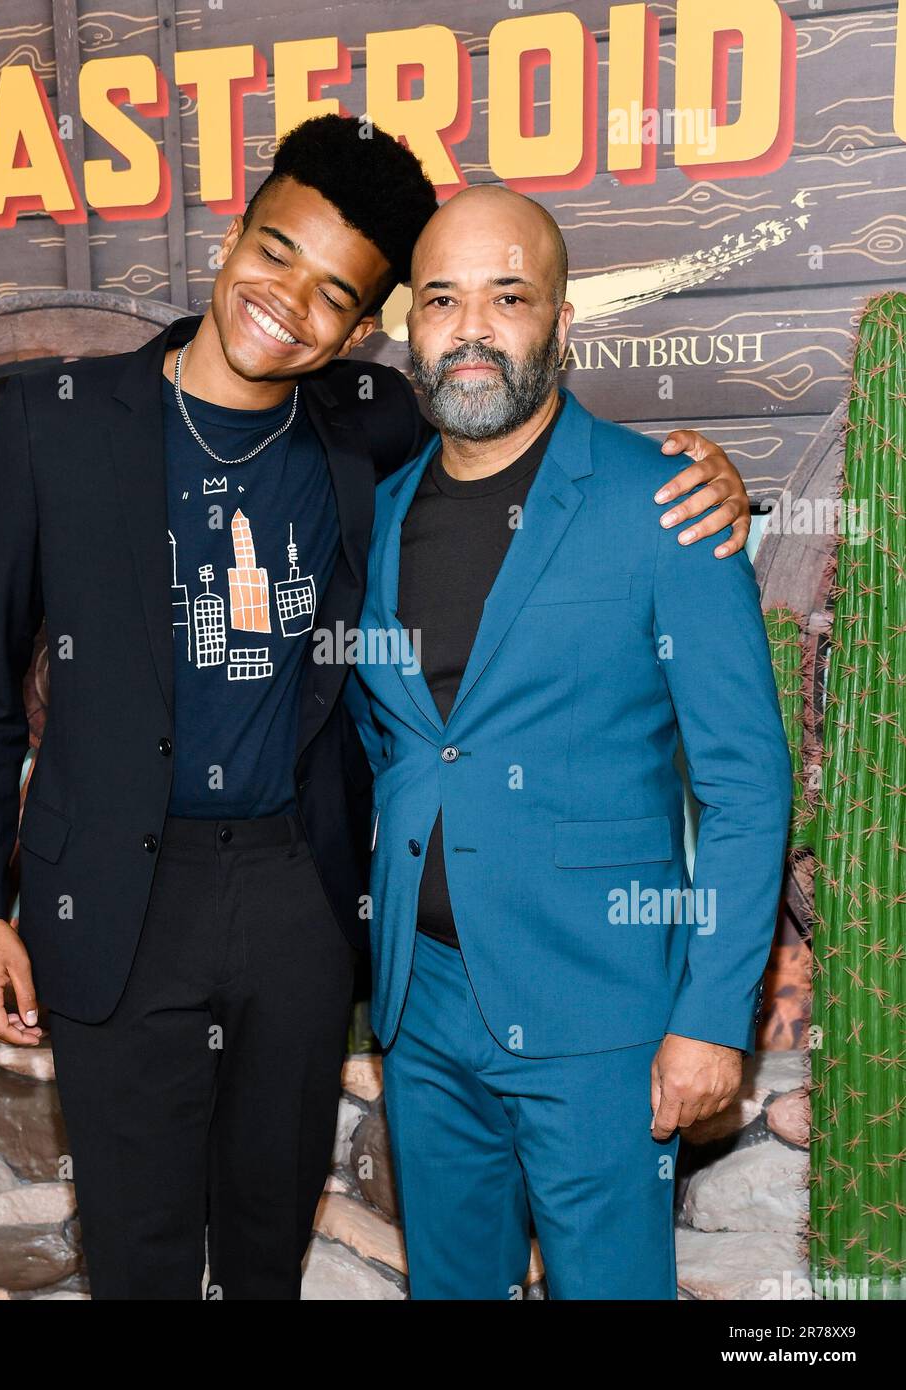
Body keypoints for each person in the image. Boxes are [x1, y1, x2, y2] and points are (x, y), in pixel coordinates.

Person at [0, 117, 755, 1300]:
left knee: (267, 1244)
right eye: (276, 255)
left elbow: (522, 427)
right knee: (136, 1252)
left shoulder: (366, 425)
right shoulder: (55, 422)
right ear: (232, 237)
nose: (289, 304)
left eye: (335, 294)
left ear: (364, 328)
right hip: (116, 899)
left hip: (301, 902)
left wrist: (713, 481)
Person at [345, 183, 793, 1300]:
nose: (470, 328)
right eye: (440, 299)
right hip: (420, 1005)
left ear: (560, 321)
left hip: (601, 1013)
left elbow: (744, 785)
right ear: (409, 325)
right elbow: (388, 748)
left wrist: (710, 1018)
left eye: (507, 297)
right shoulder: (375, 513)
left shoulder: (665, 504)